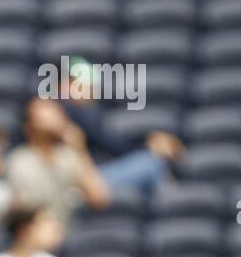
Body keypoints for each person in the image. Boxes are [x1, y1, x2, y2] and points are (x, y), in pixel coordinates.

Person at [58, 56, 182, 196]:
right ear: (66, 84)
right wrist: (147, 145)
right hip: (83, 183)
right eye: (82, 84)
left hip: (91, 176)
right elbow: (110, 143)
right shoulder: (68, 111)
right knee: (151, 163)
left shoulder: (79, 112)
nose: (90, 90)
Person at [7, 97, 110, 227]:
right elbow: (25, 210)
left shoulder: (68, 155)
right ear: (30, 127)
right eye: (48, 113)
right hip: (37, 233)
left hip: (68, 233)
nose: (57, 118)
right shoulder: (20, 161)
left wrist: (80, 150)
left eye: (58, 112)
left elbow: (99, 198)